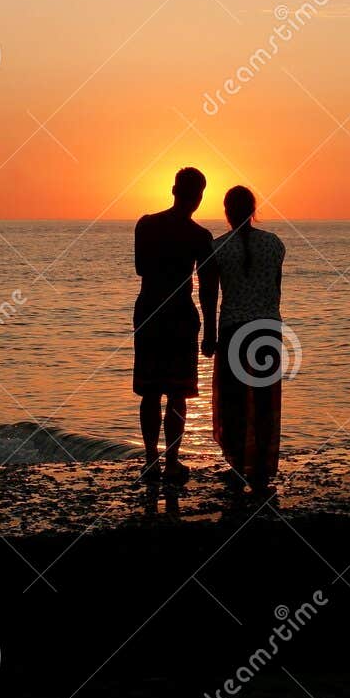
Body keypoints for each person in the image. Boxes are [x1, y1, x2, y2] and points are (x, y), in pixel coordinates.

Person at [200, 186, 287, 499]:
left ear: (227, 210)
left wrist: (208, 335)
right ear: (253, 209)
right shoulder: (274, 244)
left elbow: (209, 296)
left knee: (234, 402)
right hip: (267, 328)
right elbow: (276, 290)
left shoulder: (217, 248)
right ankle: (261, 468)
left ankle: (237, 466)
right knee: (264, 401)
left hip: (234, 329)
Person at [133, 167, 214, 486]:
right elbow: (208, 287)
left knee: (150, 390)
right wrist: (211, 331)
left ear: (172, 189)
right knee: (177, 391)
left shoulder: (146, 225)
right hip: (180, 314)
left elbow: (141, 268)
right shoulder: (200, 236)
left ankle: (151, 459)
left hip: (149, 311)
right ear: (198, 197)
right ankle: (171, 462)